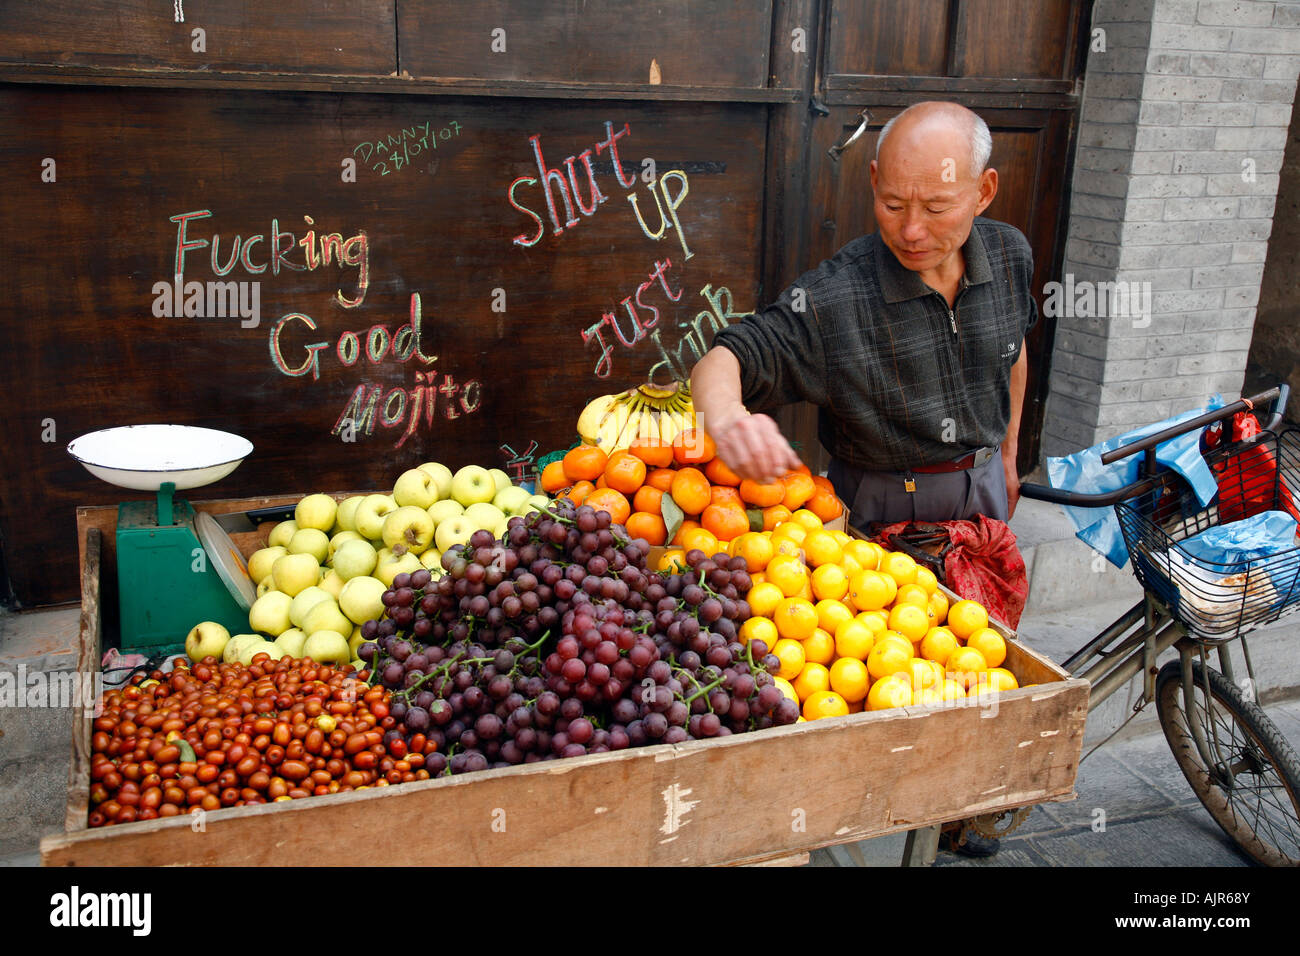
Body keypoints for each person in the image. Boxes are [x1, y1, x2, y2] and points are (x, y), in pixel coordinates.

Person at [690, 101, 1036, 857]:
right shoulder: (838, 297)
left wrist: (1008, 451)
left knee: (975, 672)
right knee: (886, 700)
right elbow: (728, 356)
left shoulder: (1008, 254)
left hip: (982, 495)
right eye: (892, 203)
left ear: (984, 193)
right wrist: (725, 417)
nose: (911, 230)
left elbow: (1010, 351)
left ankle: (955, 813)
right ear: (872, 181)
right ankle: (891, 827)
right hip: (881, 522)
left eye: (936, 208)